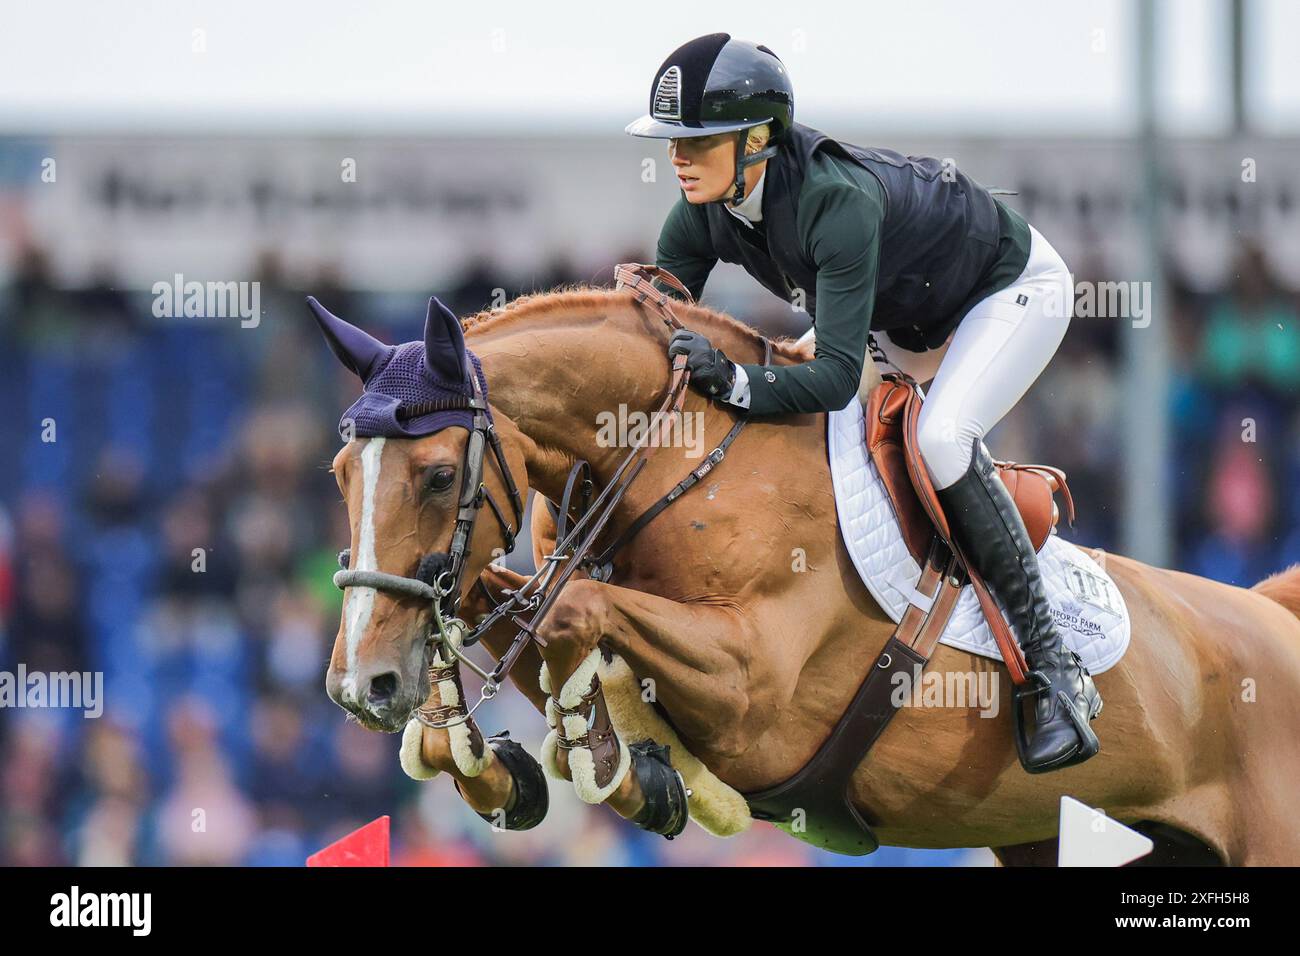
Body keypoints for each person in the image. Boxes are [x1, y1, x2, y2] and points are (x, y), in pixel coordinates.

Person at [626, 33, 1101, 773]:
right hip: (900, 312)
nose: (677, 158)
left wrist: (733, 380)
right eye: (673, 142)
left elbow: (838, 377)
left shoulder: (834, 203)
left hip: (1005, 293)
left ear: (757, 138)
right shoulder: (702, 209)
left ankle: (1054, 670)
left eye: (699, 140)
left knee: (943, 440)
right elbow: (652, 325)